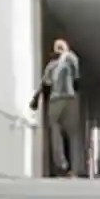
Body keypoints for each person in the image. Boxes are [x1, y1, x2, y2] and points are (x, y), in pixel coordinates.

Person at [30, 39, 82, 178]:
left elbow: (45, 85)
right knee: (71, 134)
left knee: (57, 130)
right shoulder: (71, 60)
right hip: (68, 99)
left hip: (57, 100)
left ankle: (63, 164)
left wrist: (36, 99)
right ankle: (71, 168)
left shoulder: (54, 65)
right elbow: (77, 82)